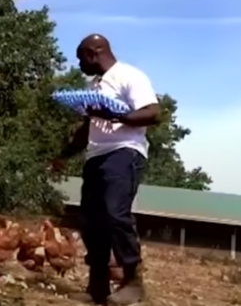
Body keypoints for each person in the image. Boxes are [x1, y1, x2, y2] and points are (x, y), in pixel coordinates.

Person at [52, 34, 160, 305]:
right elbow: (88, 126)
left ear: (93, 53)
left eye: (81, 59)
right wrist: (64, 155)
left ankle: (133, 282)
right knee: (91, 221)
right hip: (96, 156)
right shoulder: (95, 86)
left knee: (116, 213)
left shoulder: (129, 76)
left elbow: (152, 112)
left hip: (124, 152)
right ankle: (97, 286)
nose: (80, 66)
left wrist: (115, 115)